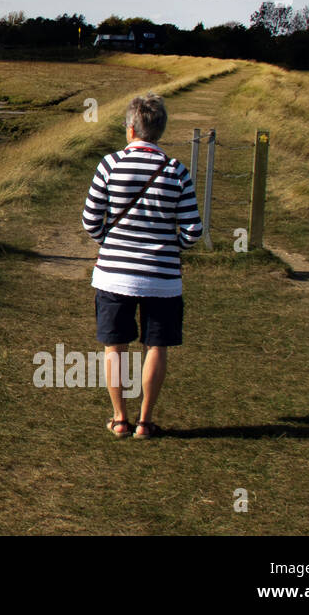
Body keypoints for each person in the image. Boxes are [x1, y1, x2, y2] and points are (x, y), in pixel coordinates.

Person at [81, 93, 202, 439]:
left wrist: (111, 241)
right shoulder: (176, 170)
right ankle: (145, 422)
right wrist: (168, 248)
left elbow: (90, 221)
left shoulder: (109, 165)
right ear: (159, 130)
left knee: (114, 347)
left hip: (114, 274)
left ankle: (120, 418)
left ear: (131, 128)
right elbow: (193, 230)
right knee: (156, 346)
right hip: (162, 279)